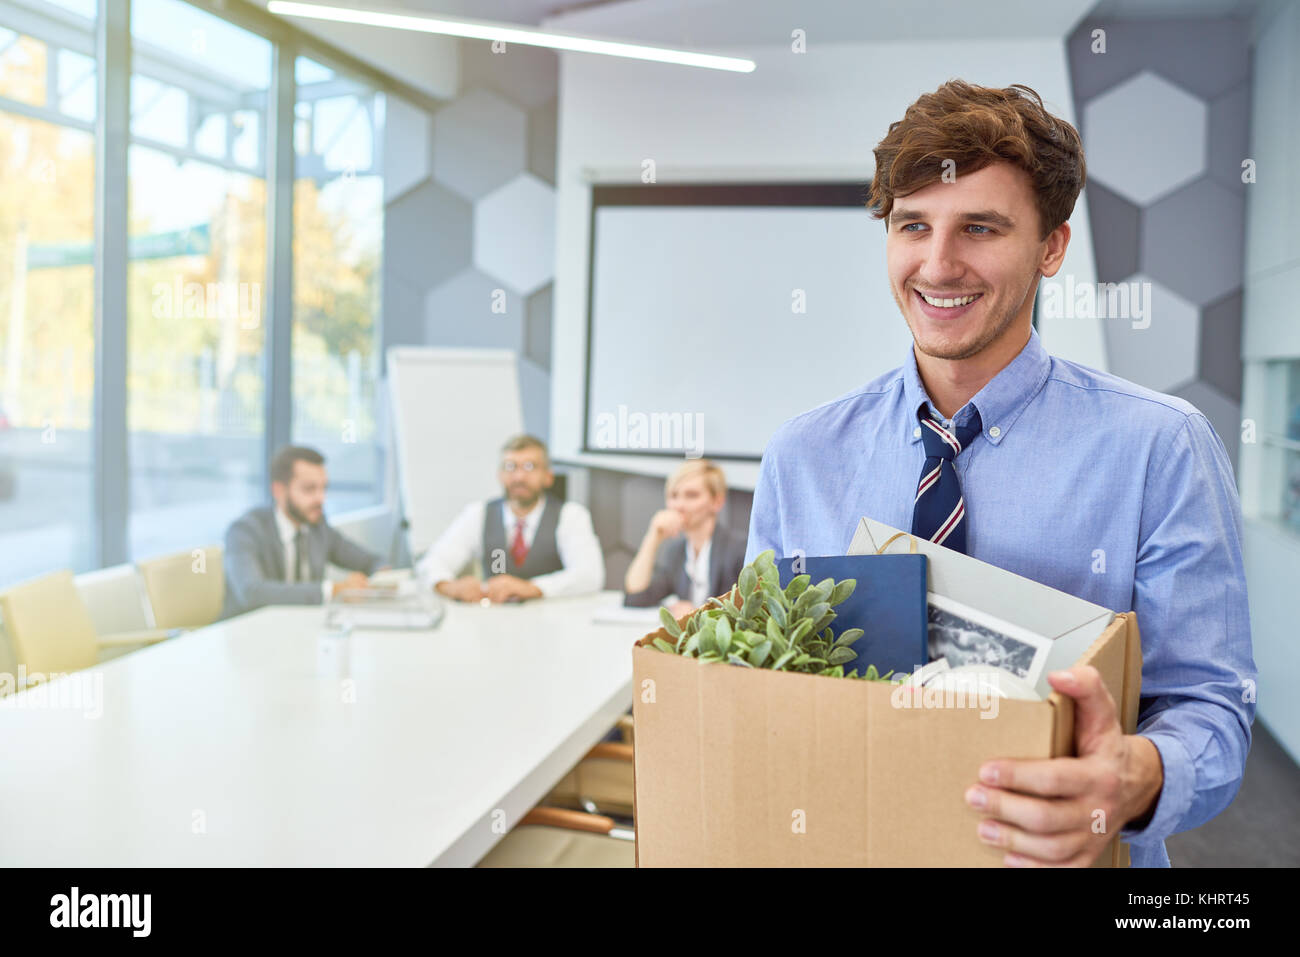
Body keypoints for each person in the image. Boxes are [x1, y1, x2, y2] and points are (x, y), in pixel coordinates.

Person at [745, 80, 1255, 868]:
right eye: (913, 225)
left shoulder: (1161, 446)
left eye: (979, 227)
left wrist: (1135, 779)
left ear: (1052, 247)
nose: (939, 263)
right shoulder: (802, 455)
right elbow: (763, 679)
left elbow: (1209, 706)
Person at [416, 434, 604, 602]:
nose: (519, 476)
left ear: (548, 477)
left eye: (530, 467)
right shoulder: (479, 514)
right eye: (510, 467)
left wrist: (532, 588)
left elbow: (590, 575)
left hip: (553, 621)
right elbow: (432, 563)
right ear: (499, 475)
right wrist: (448, 586)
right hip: (492, 624)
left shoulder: (571, 516)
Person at [222, 445, 384, 618]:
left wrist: (384, 576)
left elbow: (371, 561)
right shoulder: (244, 531)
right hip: (248, 632)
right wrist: (333, 590)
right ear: (279, 490)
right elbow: (252, 592)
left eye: (323, 488)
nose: (321, 498)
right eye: (309, 489)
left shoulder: (317, 527)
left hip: (299, 629)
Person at [623, 459, 747, 618]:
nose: (679, 505)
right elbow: (635, 598)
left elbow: (748, 616)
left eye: (691, 495)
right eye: (674, 496)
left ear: (717, 502)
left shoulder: (739, 550)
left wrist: (698, 613)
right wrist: (653, 537)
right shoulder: (677, 552)